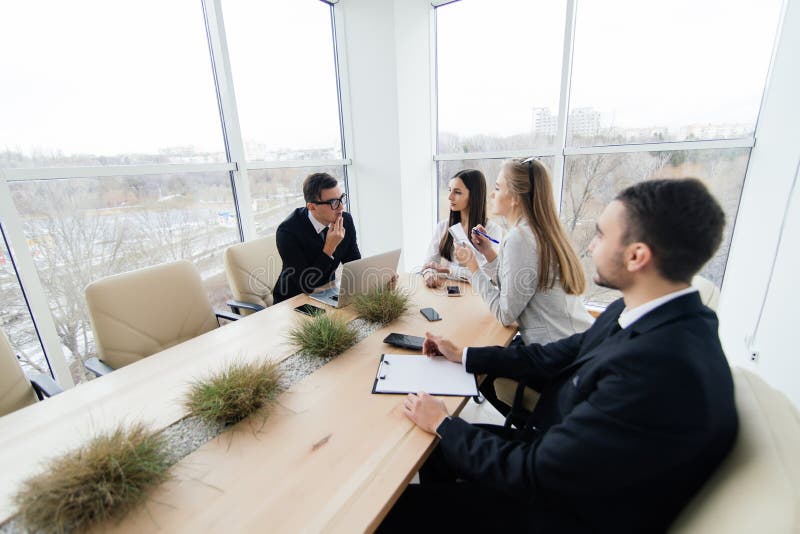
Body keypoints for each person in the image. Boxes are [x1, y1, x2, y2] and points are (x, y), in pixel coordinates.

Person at [379, 178, 738, 533]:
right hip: (552, 453)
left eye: (600, 235)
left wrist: (444, 422)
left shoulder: (657, 371)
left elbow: (534, 474)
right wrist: (465, 355)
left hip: (558, 509)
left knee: (391, 512)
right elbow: (551, 356)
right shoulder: (638, 310)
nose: (591, 247)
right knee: (436, 449)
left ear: (636, 256)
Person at [459, 158, 593, 419]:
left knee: (480, 369)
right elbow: (519, 284)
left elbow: (505, 313)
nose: (493, 194)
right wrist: (489, 254)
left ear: (515, 197)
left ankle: (538, 429)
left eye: (498, 187)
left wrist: (473, 268)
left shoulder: (520, 238)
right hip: (578, 344)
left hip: (557, 362)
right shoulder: (541, 230)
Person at [272, 172, 361, 303]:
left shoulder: (345, 220)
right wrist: (329, 248)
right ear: (312, 207)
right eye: (333, 202)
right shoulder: (287, 232)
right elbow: (306, 285)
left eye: (341, 198)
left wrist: (378, 280)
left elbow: (354, 263)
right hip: (293, 300)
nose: (341, 207)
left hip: (327, 292)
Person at [421, 169, 503, 288]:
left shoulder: (492, 230)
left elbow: (484, 274)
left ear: (473, 196)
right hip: (446, 293)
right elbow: (429, 263)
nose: (450, 197)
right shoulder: (443, 226)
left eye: (457, 192)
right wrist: (429, 274)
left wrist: (447, 270)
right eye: (450, 190)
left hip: (477, 295)